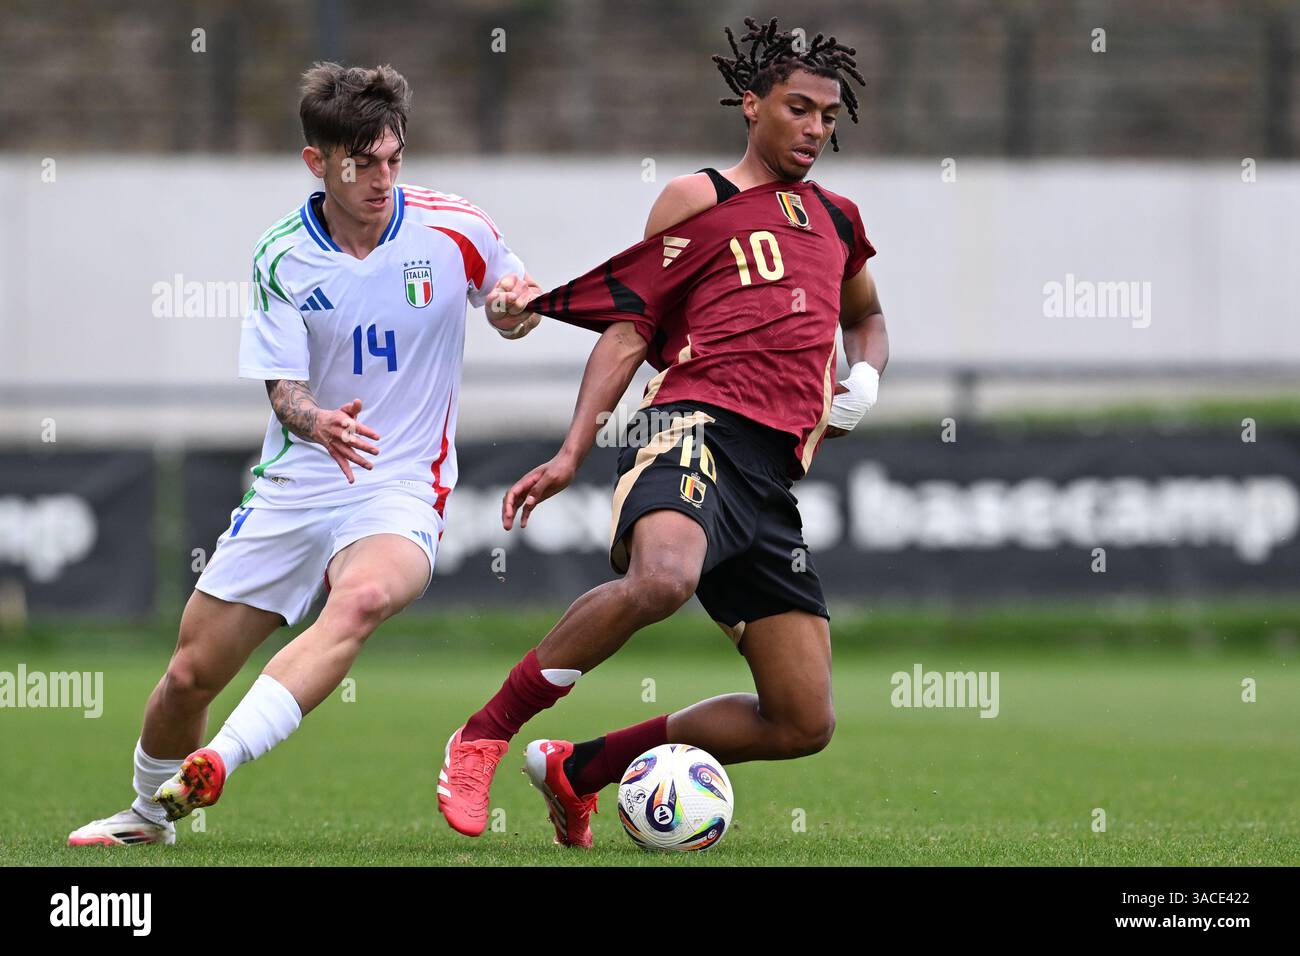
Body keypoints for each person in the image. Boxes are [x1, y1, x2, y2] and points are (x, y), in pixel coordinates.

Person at [437, 18, 889, 848]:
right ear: (751, 105)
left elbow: (868, 322)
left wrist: (863, 376)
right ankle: (483, 735)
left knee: (802, 720)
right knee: (663, 580)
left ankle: (580, 768)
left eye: (830, 115)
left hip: (769, 477)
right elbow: (629, 325)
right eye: (799, 109)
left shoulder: (839, 219)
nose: (817, 129)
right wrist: (574, 448)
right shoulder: (699, 199)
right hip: (693, 425)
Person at [68, 61, 539, 846]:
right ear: (316, 162)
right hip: (297, 480)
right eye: (362, 164)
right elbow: (283, 392)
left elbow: (510, 302)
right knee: (189, 675)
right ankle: (150, 816)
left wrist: (515, 311)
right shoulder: (282, 255)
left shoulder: (456, 227)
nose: (383, 179)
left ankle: (218, 759)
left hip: (399, 484)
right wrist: (316, 419)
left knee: (357, 601)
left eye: (394, 158)